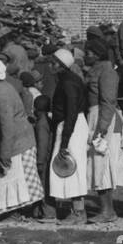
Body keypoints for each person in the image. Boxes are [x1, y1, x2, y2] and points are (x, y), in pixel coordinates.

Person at [0, 59, 43, 221]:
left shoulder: (1, 93)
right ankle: (21, 211)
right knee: (17, 178)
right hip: (17, 140)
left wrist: (4, 154)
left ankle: (16, 212)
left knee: (12, 178)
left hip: (17, 142)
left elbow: (7, 126)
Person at [84, 39, 123, 224]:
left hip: (103, 119)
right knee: (97, 163)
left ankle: (107, 210)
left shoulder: (107, 72)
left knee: (102, 162)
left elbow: (108, 102)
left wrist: (101, 129)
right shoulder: (95, 70)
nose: (85, 55)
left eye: (88, 52)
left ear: (97, 53)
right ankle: (106, 209)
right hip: (94, 117)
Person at [48, 47, 90, 225]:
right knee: (67, 166)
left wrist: (65, 139)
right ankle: (75, 210)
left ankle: (79, 212)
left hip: (71, 126)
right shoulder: (68, 80)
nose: (50, 65)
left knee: (71, 166)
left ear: (60, 65)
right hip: (70, 124)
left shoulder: (68, 82)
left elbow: (71, 111)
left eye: (53, 62)